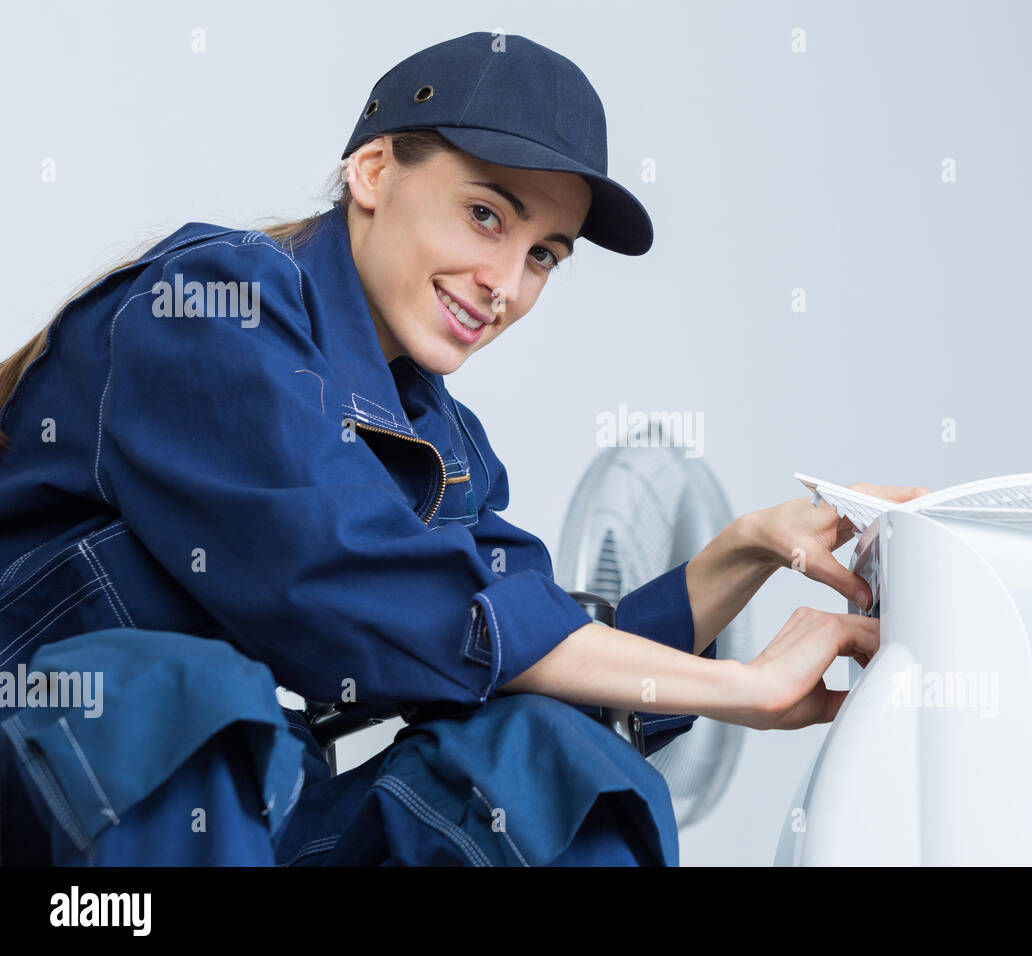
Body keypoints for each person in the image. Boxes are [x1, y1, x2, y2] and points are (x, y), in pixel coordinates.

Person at [0, 31, 925, 866]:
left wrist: (745, 550)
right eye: (487, 215)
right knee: (180, 695)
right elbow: (361, 579)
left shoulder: (444, 448)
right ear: (371, 171)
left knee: (552, 766)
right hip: (49, 787)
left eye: (543, 255)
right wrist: (744, 686)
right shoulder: (209, 306)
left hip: (238, 823)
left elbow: (538, 652)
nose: (504, 286)